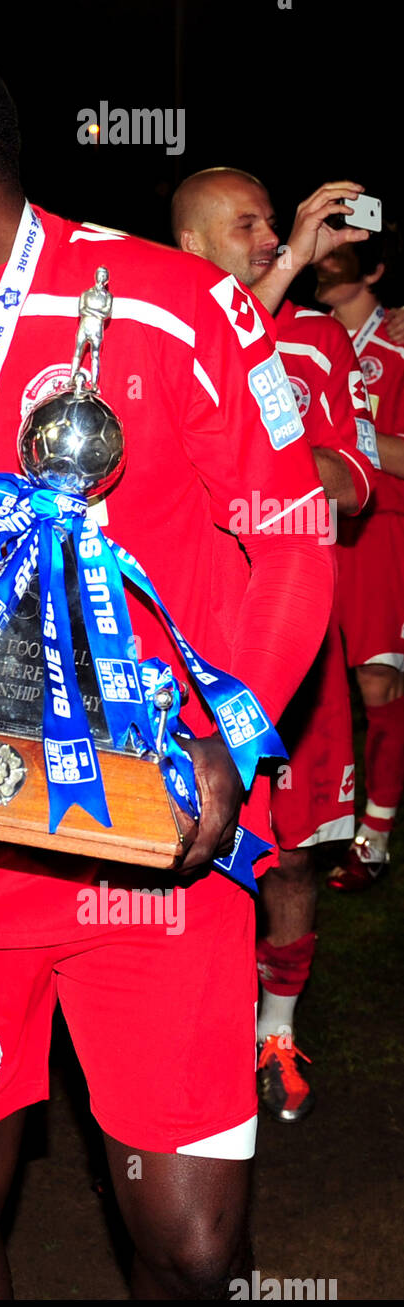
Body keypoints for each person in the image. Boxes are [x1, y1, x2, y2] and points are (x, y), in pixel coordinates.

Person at [0, 40, 332, 1299]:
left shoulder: (175, 306)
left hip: (154, 838)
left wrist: (225, 746)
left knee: (192, 1247)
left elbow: (294, 538)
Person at [171, 167, 379, 1122]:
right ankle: (183, 1033)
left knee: (290, 857)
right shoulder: (154, 326)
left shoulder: (314, 336)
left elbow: (348, 474)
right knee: (180, 845)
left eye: (273, 226)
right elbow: (200, 360)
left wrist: (283, 474)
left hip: (285, 641)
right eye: (249, 225)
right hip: (175, 650)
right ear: (189, 243)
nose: (270, 238)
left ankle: (276, 1034)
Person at [312, 228, 404, 891]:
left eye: (335, 258)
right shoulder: (306, 337)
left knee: (376, 684)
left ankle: (372, 836)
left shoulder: (396, 344)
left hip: (381, 526)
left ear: (372, 272)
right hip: (310, 525)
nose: (319, 265)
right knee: (305, 680)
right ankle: (309, 817)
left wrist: (346, 452)